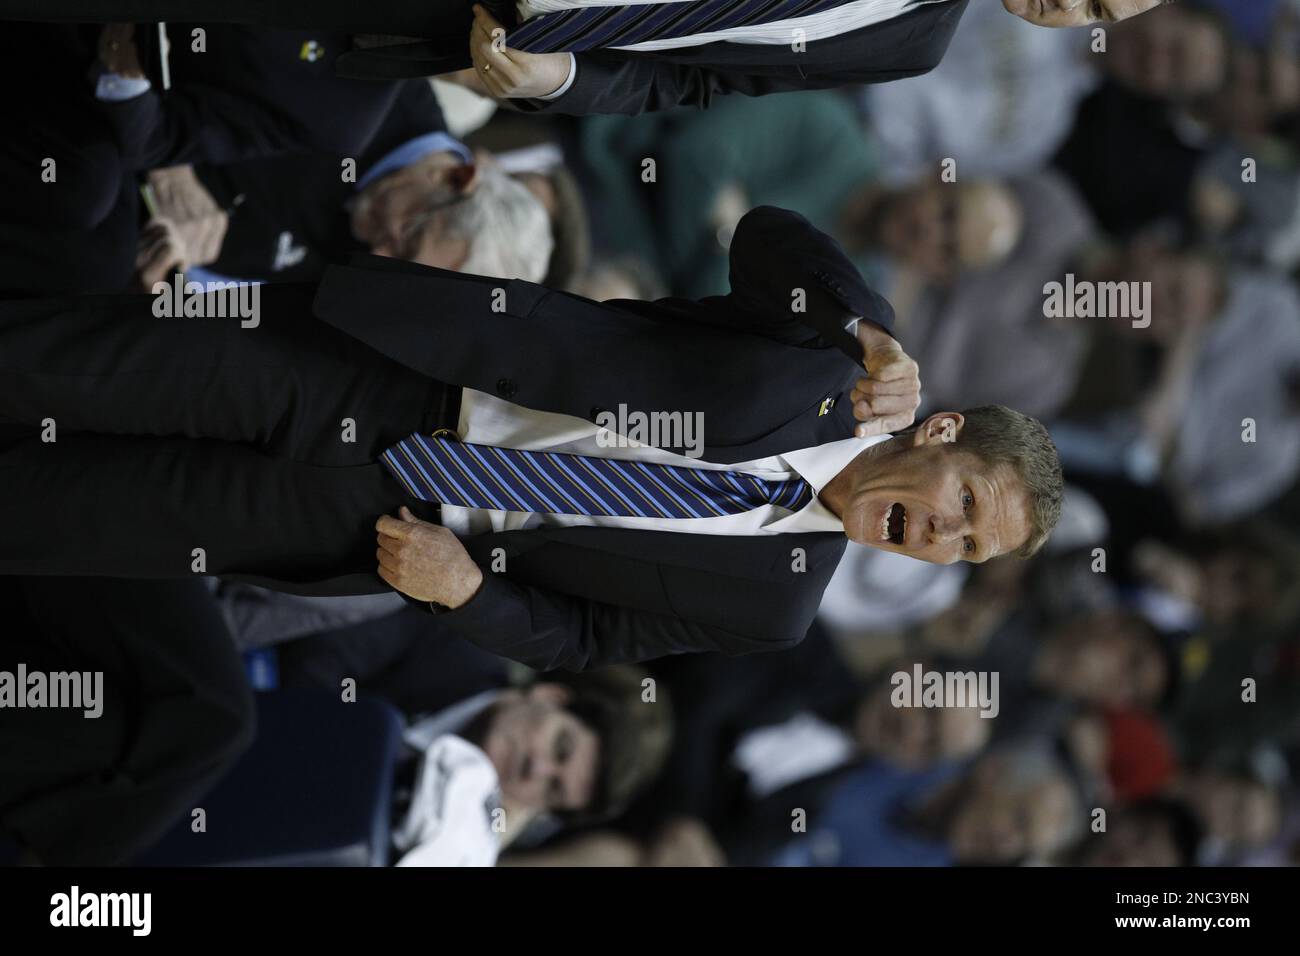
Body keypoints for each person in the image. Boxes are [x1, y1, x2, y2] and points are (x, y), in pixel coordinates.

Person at [0, 205, 1062, 671]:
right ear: (941, 428)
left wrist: (466, 593)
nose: (935, 532)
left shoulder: (774, 606)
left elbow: (586, 640)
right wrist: (862, 324)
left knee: (57, 514)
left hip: (383, 518)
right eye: (962, 502)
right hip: (392, 372)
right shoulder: (828, 363)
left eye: (961, 548)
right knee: (57, 363)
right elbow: (765, 237)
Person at [1, 0, 1174, 115]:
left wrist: (558, 81)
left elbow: (696, 76)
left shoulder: (913, 48)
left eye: (1087, 13)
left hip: (468, 22)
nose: (1059, 3)